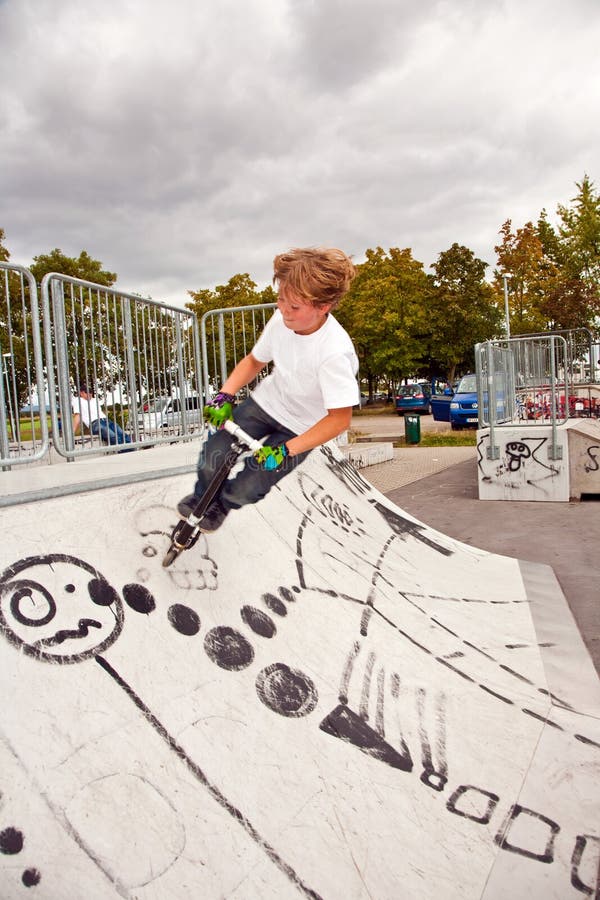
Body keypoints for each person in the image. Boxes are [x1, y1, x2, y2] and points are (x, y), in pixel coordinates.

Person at [177, 246, 359, 532]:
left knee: (250, 486)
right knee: (213, 456)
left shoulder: (334, 353)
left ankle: (223, 505)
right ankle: (202, 497)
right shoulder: (280, 320)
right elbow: (254, 361)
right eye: (281, 300)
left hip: (300, 428)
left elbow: (339, 420)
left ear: (323, 307)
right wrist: (224, 395)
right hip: (265, 405)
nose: (284, 310)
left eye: (295, 307)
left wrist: (286, 451)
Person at [72, 383, 134, 452]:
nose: (90, 394)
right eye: (87, 392)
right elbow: (77, 416)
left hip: (106, 420)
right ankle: (124, 451)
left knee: (122, 433)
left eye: (91, 392)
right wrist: (72, 432)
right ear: (81, 393)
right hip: (95, 423)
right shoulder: (78, 401)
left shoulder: (94, 400)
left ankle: (132, 450)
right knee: (113, 436)